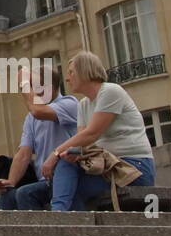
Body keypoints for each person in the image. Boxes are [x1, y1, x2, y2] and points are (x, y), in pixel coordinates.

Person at [48, 50, 156, 211]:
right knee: (67, 166)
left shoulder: (111, 91)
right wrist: (72, 153)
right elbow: (83, 143)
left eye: (71, 72)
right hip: (105, 165)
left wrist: (55, 153)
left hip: (132, 167)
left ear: (85, 71)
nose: (67, 78)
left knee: (72, 187)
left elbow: (92, 134)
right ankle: (60, 216)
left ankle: (61, 219)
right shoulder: (83, 104)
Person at [0, 64, 77, 210]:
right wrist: (10, 181)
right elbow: (23, 154)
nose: (30, 91)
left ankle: (38, 232)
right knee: (6, 197)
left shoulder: (69, 104)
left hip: (67, 177)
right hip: (45, 181)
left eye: (34, 86)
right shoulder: (31, 118)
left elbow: (39, 111)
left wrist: (24, 83)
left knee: (25, 194)